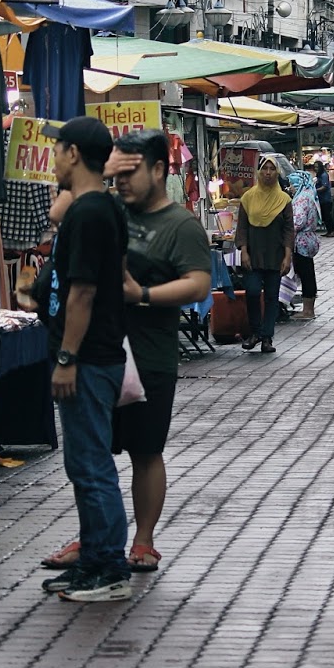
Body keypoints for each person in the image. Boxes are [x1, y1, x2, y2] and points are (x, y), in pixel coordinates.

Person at [43, 131, 211, 577]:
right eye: (118, 171)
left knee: (144, 449)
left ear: (159, 169)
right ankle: (95, 537)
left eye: (132, 170)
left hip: (150, 355)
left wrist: (144, 294)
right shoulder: (107, 208)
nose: (123, 181)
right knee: (93, 454)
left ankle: (142, 540)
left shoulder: (181, 225)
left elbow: (198, 285)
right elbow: (62, 210)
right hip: (101, 352)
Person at [40, 117, 133, 603]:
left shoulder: (90, 212)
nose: (53, 159)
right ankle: (95, 559)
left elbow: (82, 293)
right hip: (98, 353)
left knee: (92, 464)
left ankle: (108, 568)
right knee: (84, 463)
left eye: (57, 150)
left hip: (90, 358)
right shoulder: (104, 209)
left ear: (73, 154)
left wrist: (65, 357)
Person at [234, 157, 293, 354]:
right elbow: (241, 227)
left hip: (275, 255)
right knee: (251, 292)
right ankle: (255, 332)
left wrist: (287, 256)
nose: (268, 172)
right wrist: (243, 251)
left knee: (271, 297)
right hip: (252, 254)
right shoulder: (248, 198)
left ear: (277, 173)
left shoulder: (284, 200)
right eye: (264, 169)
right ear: (259, 172)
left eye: (271, 169)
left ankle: (267, 337)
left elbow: (288, 230)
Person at [287, 170, 323, 321]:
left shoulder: (302, 198)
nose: (290, 188)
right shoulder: (309, 195)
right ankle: (308, 309)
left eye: (292, 185)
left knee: (306, 273)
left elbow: (298, 221)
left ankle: (308, 311)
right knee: (308, 272)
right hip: (308, 240)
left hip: (301, 242)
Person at [313, 159, 334, 237]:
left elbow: (325, 187)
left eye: (317, 167)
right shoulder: (318, 175)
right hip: (321, 199)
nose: (316, 168)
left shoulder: (323, 175)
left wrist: (314, 191)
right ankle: (329, 231)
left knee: (327, 216)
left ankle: (333, 231)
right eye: (315, 167)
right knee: (324, 216)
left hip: (326, 199)